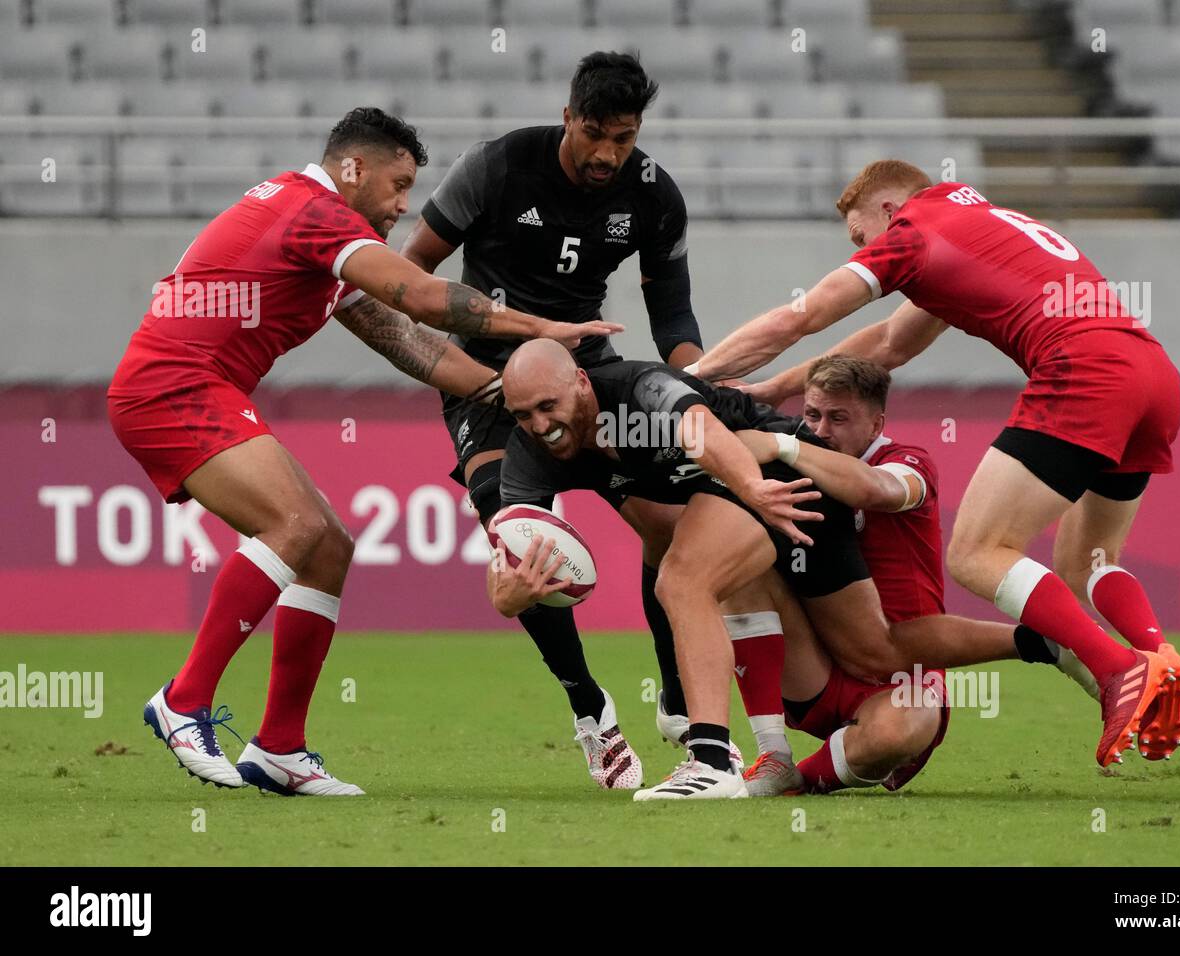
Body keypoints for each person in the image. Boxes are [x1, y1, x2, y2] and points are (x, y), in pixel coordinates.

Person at [109, 108, 612, 796]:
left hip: (199, 386)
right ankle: (185, 699)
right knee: (296, 527)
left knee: (328, 547)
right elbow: (428, 299)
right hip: (173, 387)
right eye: (397, 185)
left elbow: (412, 342)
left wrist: (515, 393)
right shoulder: (314, 212)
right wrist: (538, 328)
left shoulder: (316, 235)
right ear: (353, 167)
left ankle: (280, 748)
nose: (403, 206)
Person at [687, 160, 1180, 768]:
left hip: (1084, 372)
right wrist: (772, 392)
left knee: (978, 552)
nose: (865, 251)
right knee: (1088, 562)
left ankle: (1114, 671)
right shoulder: (980, 225)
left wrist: (683, 382)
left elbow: (800, 318)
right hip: (1151, 373)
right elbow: (889, 345)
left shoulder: (914, 231)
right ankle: (1154, 653)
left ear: (890, 211)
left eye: (859, 234)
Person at [396, 52, 707, 787]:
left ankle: (674, 692)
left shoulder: (656, 194)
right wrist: (466, 368)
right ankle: (590, 709)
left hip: (591, 376)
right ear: (568, 115)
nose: (607, 154)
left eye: (623, 139)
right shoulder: (498, 166)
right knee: (521, 543)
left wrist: (696, 384)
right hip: (490, 380)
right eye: (594, 132)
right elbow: (413, 279)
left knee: (669, 524)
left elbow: (672, 312)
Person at [491, 340, 911, 800]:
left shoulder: (641, 389)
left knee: (875, 657)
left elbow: (702, 432)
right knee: (688, 579)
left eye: (548, 406)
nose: (540, 425)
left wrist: (752, 486)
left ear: (582, 383)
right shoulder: (531, 451)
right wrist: (506, 597)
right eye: (523, 414)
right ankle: (743, 758)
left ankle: (715, 762)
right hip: (730, 490)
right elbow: (512, 539)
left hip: (778, 471)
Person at [721, 355, 1096, 796]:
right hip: (815, 666)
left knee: (896, 732)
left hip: (901, 671)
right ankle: (771, 754)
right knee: (736, 563)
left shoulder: (908, 463)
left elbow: (877, 489)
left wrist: (784, 446)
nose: (821, 430)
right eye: (812, 414)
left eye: (839, 418)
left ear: (877, 423)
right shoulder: (793, 459)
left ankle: (801, 778)